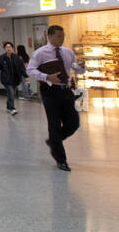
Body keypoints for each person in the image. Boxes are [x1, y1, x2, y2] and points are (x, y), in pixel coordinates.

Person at [27, 24, 80, 172]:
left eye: (63, 36)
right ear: (49, 36)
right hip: (50, 91)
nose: (61, 39)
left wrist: (81, 67)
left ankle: (53, 141)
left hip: (65, 90)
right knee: (54, 124)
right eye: (58, 36)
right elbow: (30, 70)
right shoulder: (40, 53)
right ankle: (61, 160)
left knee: (74, 122)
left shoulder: (68, 52)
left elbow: (77, 68)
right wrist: (46, 76)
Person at [0, 41, 26, 115]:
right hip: (6, 79)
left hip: (15, 79)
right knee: (11, 92)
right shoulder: (1, 58)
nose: (8, 48)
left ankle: (8, 106)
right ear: (4, 48)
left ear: (12, 48)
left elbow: (21, 67)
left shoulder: (17, 57)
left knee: (11, 93)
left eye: (10, 47)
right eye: (7, 47)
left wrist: (26, 76)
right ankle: (12, 108)